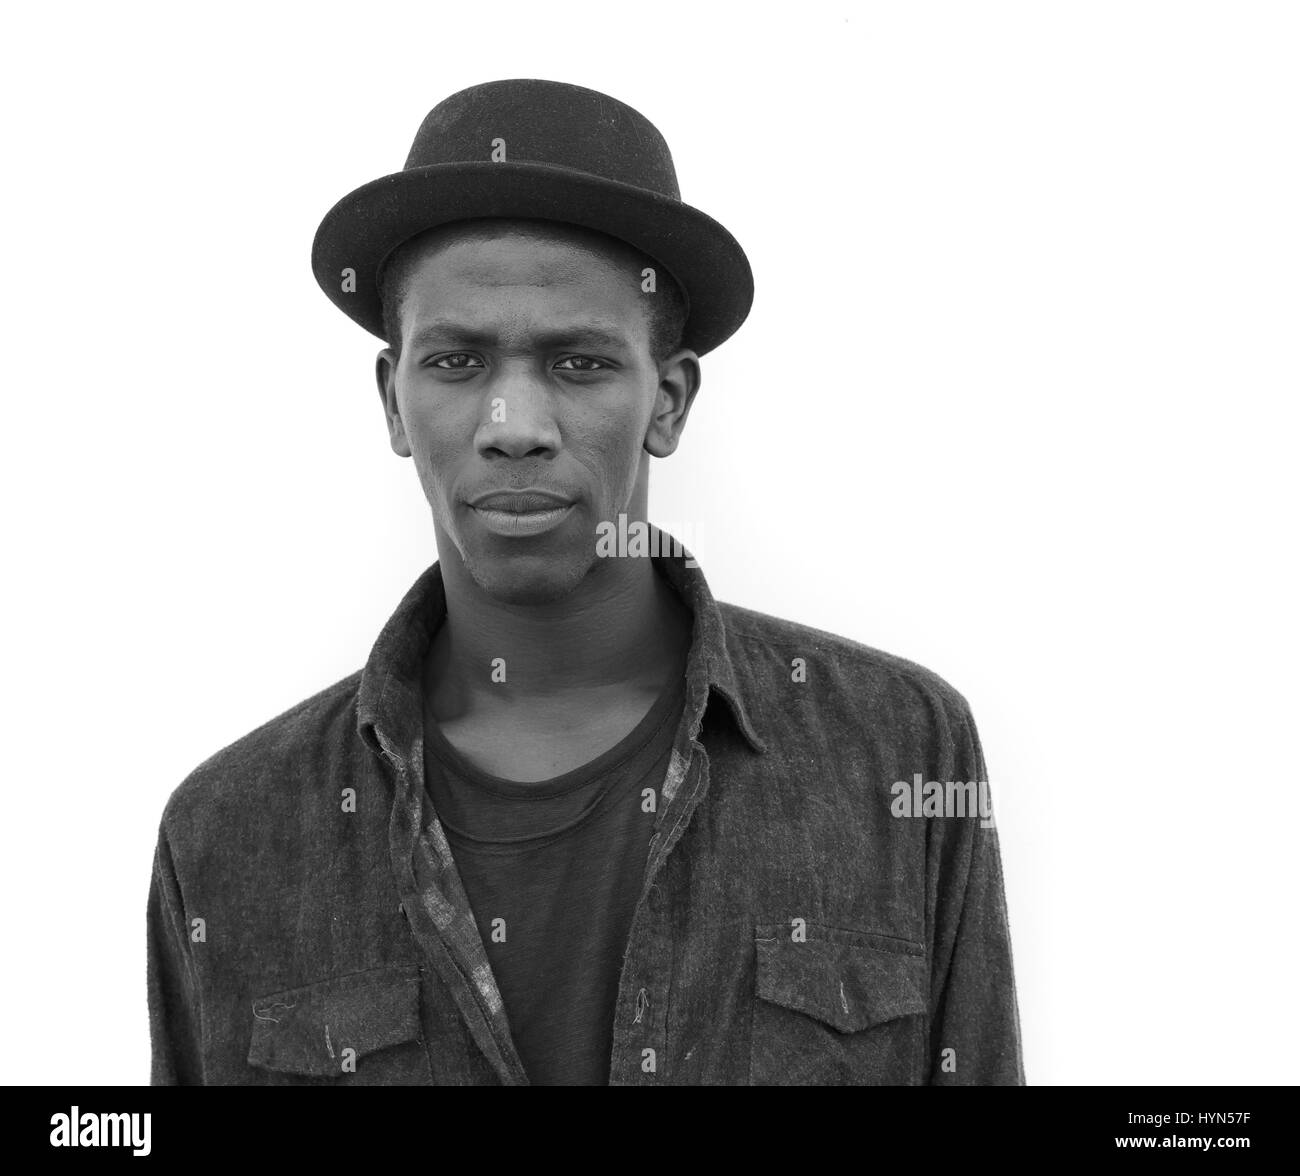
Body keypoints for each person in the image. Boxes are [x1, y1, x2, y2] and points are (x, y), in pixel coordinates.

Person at [147, 78, 1024, 1085]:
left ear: (670, 399)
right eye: (455, 363)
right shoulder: (228, 834)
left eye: (576, 364)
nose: (513, 423)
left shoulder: (895, 751)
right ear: (393, 402)